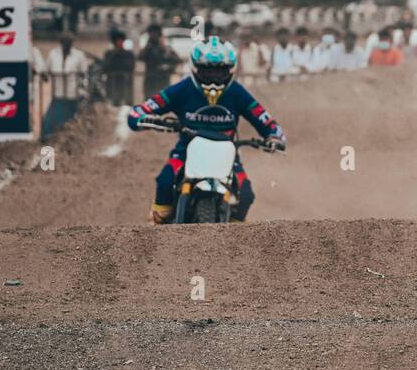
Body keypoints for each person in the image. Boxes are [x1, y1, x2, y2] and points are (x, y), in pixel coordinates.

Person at [128, 36, 284, 224]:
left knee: (246, 195)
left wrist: (273, 135)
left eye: (220, 71)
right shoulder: (182, 89)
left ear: (230, 69)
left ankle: (239, 240)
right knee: (165, 181)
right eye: (207, 70)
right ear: (195, 68)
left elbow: (263, 118)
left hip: (227, 154)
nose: (213, 76)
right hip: (186, 151)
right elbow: (146, 108)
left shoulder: (236, 92)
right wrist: (140, 116)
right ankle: (157, 231)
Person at [40, 32, 91, 137]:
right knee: (50, 121)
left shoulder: (78, 55)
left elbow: (84, 74)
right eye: (64, 42)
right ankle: (48, 138)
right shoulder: (53, 54)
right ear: (61, 43)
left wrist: (83, 91)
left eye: (69, 42)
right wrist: (44, 75)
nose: (67, 45)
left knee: (73, 119)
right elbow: (45, 70)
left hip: (73, 95)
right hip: (58, 95)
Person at [140, 23, 180, 97]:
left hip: (163, 79)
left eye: (155, 33)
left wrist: (169, 67)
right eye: (152, 34)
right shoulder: (148, 48)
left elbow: (177, 60)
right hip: (151, 80)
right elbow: (141, 57)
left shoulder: (166, 49)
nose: (154, 36)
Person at [100, 28, 136, 106]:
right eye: (117, 41)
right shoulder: (109, 54)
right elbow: (105, 67)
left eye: (121, 40)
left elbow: (130, 66)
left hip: (125, 83)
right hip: (112, 84)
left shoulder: (128, 54)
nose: (119, 43)